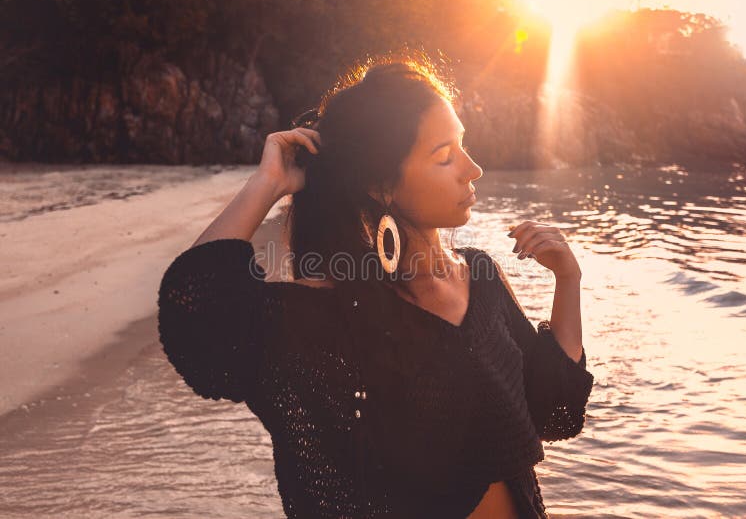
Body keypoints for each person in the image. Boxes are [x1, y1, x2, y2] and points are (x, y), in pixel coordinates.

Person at [157, 50, 593, 519]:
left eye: (463, 145)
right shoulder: (335, 315)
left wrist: (568, 279)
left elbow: (555, 409)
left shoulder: (480, 278)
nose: (473, 169)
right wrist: (267, 183)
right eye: (445, 157)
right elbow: (195, 314)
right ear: (381, 186)